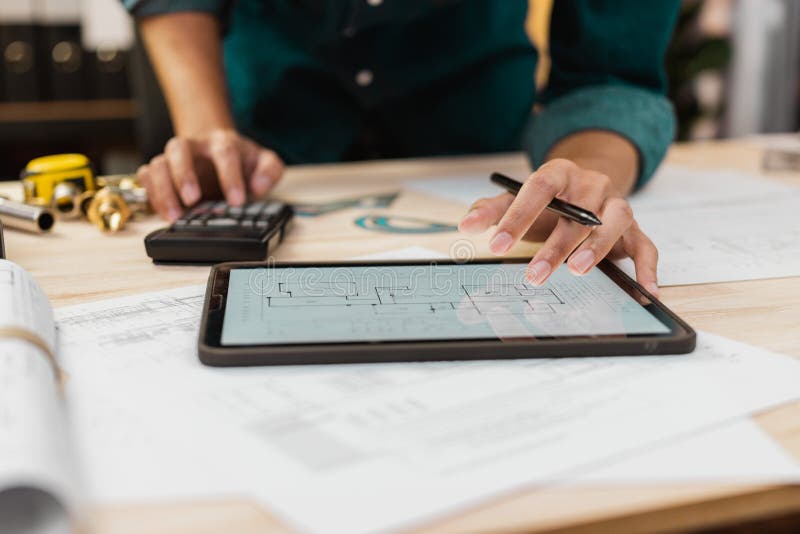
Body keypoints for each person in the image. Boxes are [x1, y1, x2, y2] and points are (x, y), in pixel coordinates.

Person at [125, 0, 679, 295]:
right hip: (272, 147)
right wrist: (208, 132)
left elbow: (612, 72)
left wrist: (584, 173)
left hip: (470, 150)